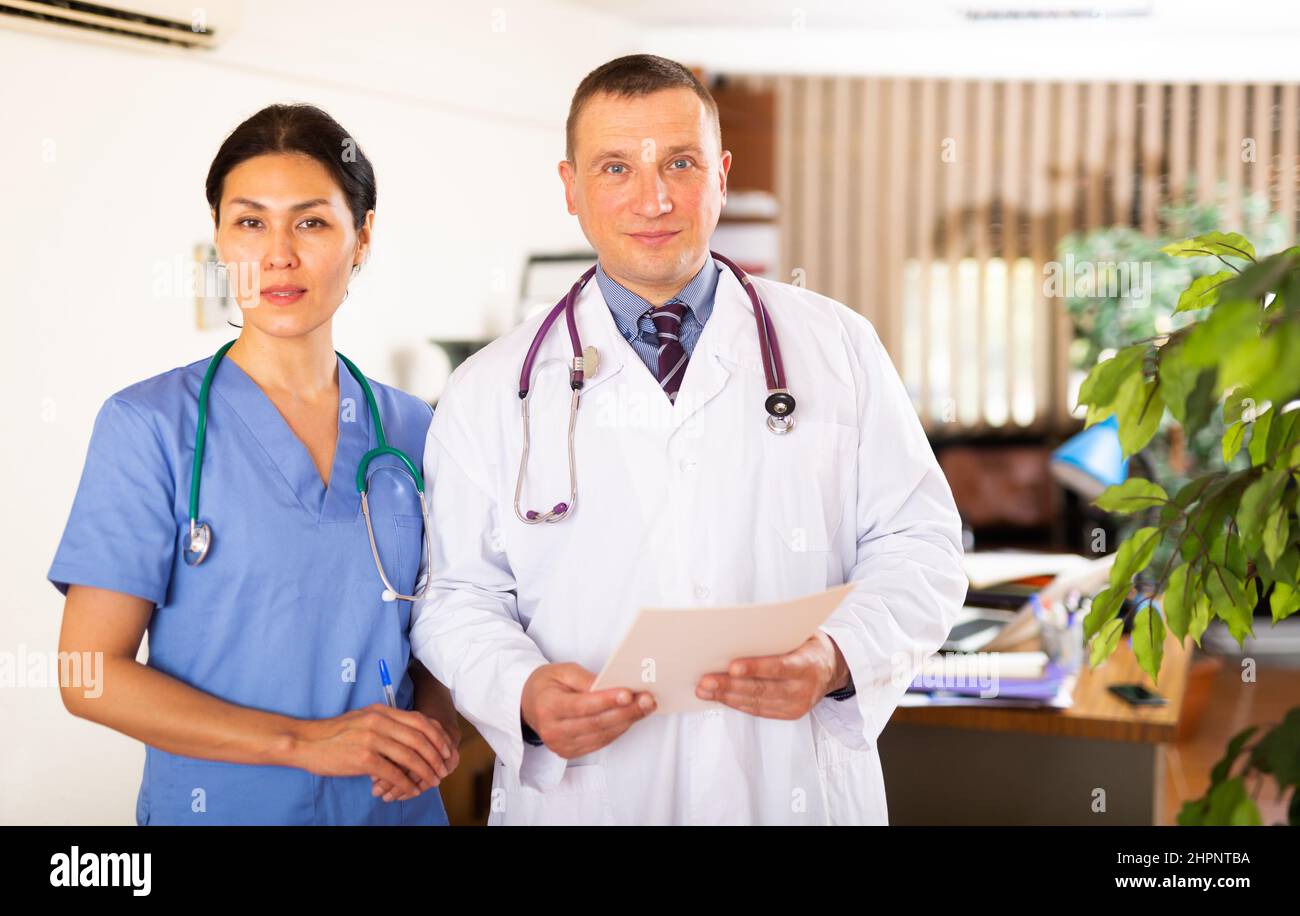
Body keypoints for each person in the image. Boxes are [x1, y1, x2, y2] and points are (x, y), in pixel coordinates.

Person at [410, 55, 966, 825]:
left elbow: (923, 547)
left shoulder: (838, 345)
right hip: (595, 792)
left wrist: (837, 655)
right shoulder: (487, 387)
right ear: (571, 187)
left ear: (722, 174)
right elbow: (455, 594)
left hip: (791, 782)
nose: (654, 197)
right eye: (615, 167)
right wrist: (522, 691)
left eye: (680, 162)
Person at [49, 104, 457, 825]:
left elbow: (446, 627)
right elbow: (89, 676)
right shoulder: (149, 427)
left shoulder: (416, 430)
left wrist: (438, 724)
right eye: (249, 222)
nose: (278, 254)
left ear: (361, 239)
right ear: (217, 240)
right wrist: (304, 743)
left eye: (311, 222)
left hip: (394, 811)